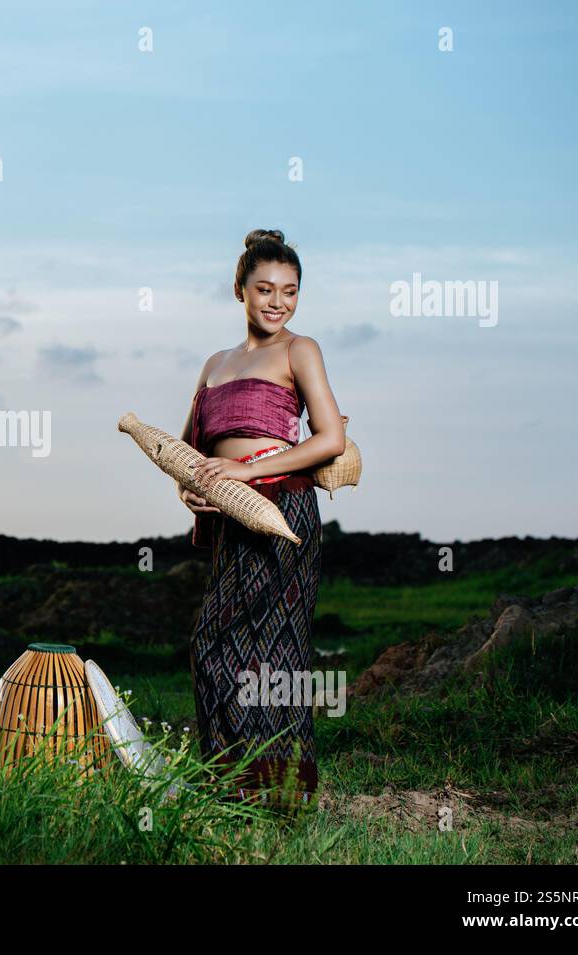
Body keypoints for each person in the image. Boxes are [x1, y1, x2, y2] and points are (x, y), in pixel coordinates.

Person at [176, 228, 347, 807]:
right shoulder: (215, 364)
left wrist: (248, 472)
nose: (278, 302)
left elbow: (330, 437)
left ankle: (281, 790)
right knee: (214, 644)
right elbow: (189, 452)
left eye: (290, 291)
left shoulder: (301, 350)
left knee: (275, 649)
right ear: (239, 290)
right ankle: (234, 782)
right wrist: (192, 490)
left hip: (284, 512)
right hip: (232, 519)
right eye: (265, 289)